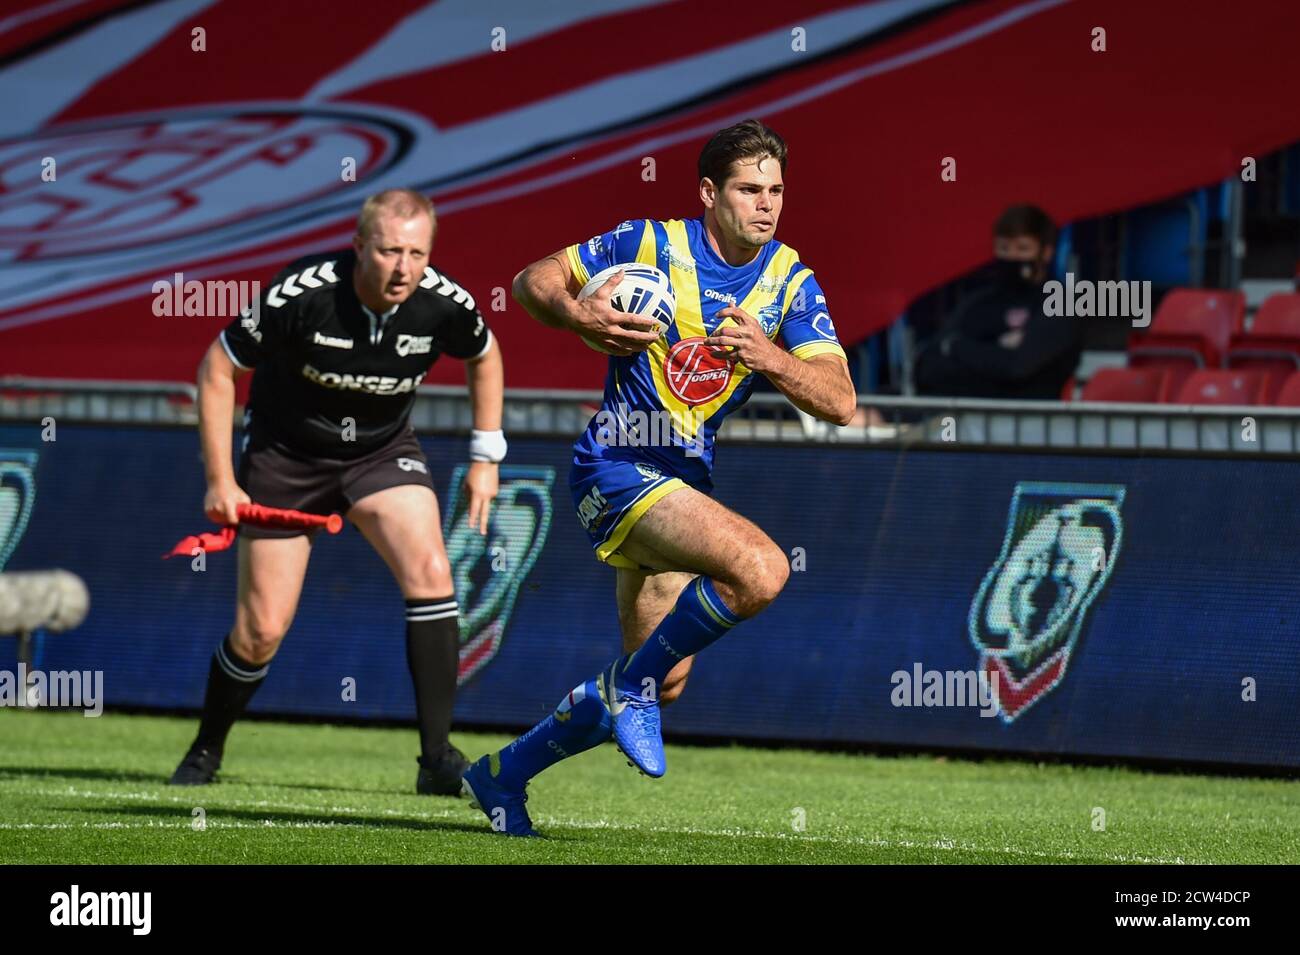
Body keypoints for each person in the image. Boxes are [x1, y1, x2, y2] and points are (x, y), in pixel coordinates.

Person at [461, 119, 856, 835]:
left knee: (662, 678)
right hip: (613, 465)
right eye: (747, 189)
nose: (764, 205)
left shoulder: (790, 282)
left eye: (775, 191)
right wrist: (575, 308)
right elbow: (532, 280)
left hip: (681, 485)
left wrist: (774, 358)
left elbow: (841, 401)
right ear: (709, 192)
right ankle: (627, 689)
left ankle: (503, 774)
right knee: (762, 569)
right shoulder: (650, 244)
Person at [168, 189, 505, 796]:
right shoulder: (302, 294)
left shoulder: (443, 301)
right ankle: (205, 748)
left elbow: (484, 354)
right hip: (286, 457)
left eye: (416, 253)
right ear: (358, 248)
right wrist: (221, 478)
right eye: (389, 252)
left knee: (432, 572)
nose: (404, 268)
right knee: (261, 630)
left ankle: (436, 760)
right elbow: (217, 369)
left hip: (380, 452)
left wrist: (486, 456)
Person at [915, 204, 1081, 399]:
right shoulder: (978, 302)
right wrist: (997, 350)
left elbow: (1017, 368)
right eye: (1004, 248)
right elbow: (927, 368)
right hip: (967, 423)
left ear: (1046, 253)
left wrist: (954, 347)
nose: (1012, 257)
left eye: (1022, 248)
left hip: (1034, 424)